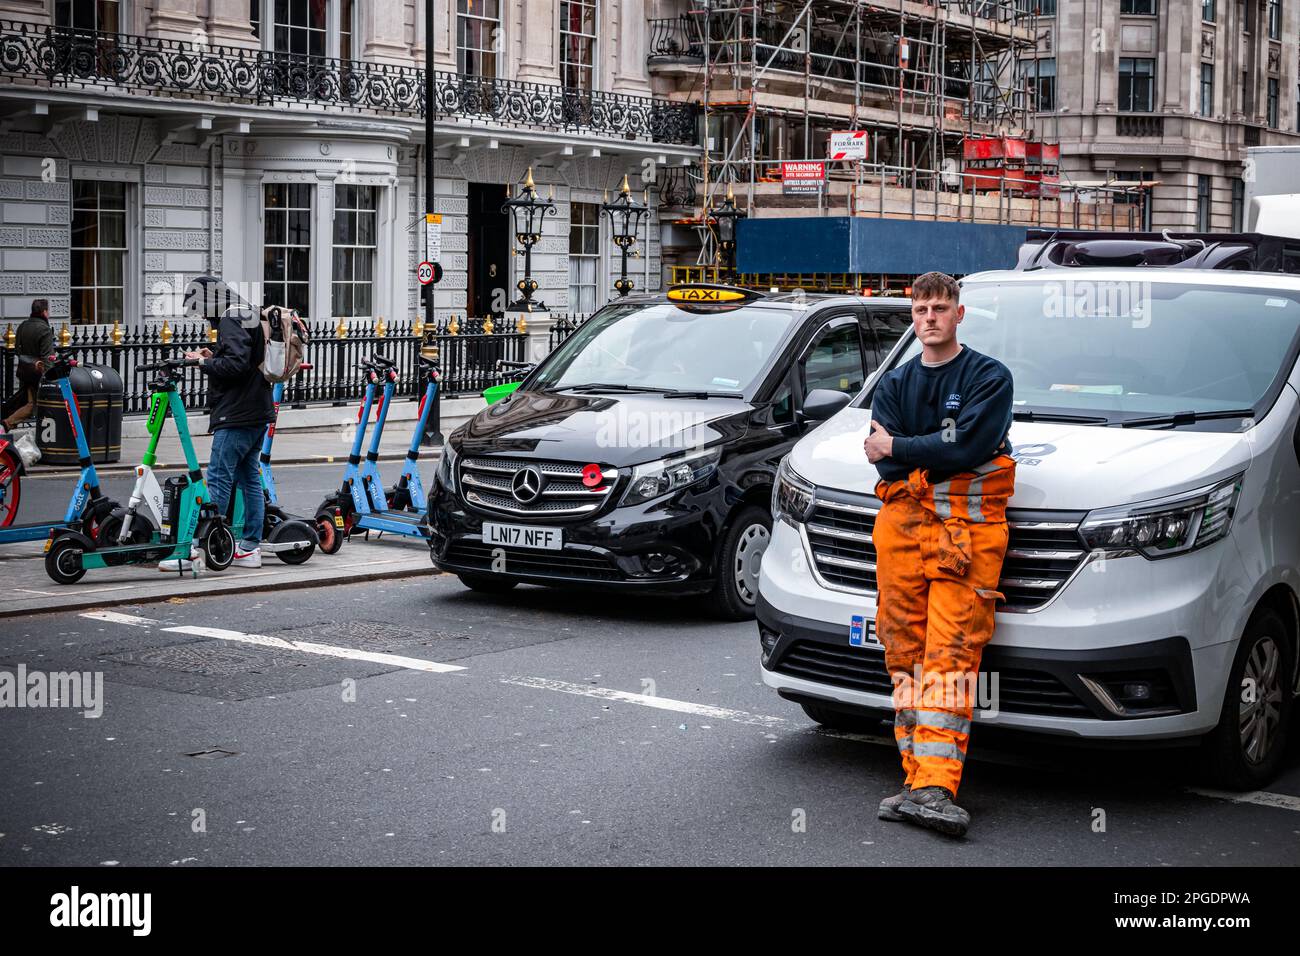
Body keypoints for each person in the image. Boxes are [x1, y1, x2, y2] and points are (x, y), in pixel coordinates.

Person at [863, 271, 1015, 838]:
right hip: (902, 532)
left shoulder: (987, 376)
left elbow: (972, 444)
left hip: (966, 539)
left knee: (950, 654)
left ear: (959, 314)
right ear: (912, 315)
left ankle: (935, 785)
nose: (930, 317)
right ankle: (916, 782)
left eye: (940, 308)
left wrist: (906, 448)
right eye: (922, 308)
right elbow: (883, 462)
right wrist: (932, 453)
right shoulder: (895, 382)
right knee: (904, 651)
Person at [160, 301, 272, 571]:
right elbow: (244, 358)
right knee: (249, 479)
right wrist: (211, 356)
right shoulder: (245, 313)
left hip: (237, 415)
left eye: (199, 309)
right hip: (256, 411)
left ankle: (197, 550)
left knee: (220, 478)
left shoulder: (230, 317)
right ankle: (249, 548)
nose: (202, 316)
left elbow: (236, 365)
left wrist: (202, 362)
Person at [2, 299, 54, 431]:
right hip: (38, 374)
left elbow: (18, 351)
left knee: (25, 401)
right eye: (48, 311)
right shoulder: (45, 330)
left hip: (25, 371)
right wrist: (49, 377)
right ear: (44, 312)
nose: (49, 314)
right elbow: (48, 357)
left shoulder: (23, 326)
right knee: (34, 405)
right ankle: (6, 423)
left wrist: (28, 361)